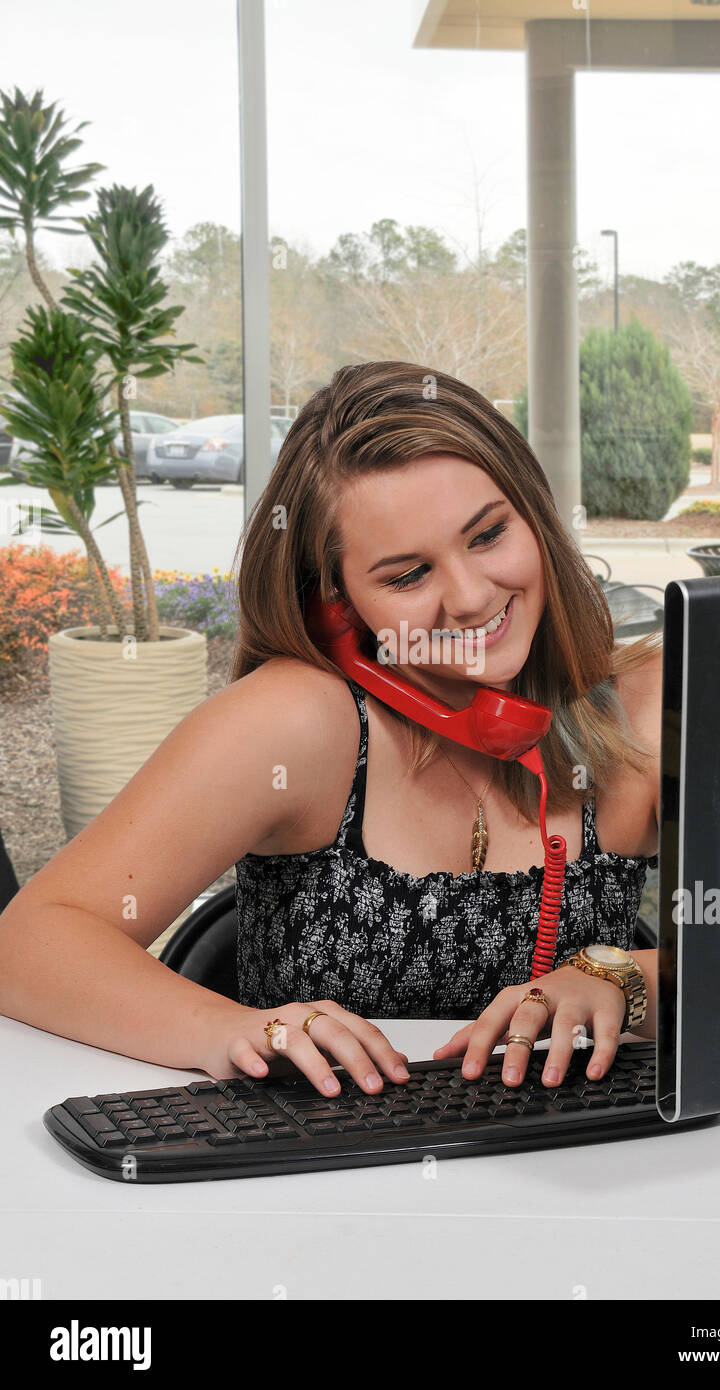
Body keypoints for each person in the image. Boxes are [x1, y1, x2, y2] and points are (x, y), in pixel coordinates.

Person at [0, 360, 662, 1104]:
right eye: (408, 575)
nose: (472, 597)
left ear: (535, 516)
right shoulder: (297, 724)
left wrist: (627, 978)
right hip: (331, 1185)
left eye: (487, 535)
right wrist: (228, 1028)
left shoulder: (643, 707)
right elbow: (29, 943)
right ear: (336, 604)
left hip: (594, 1178)